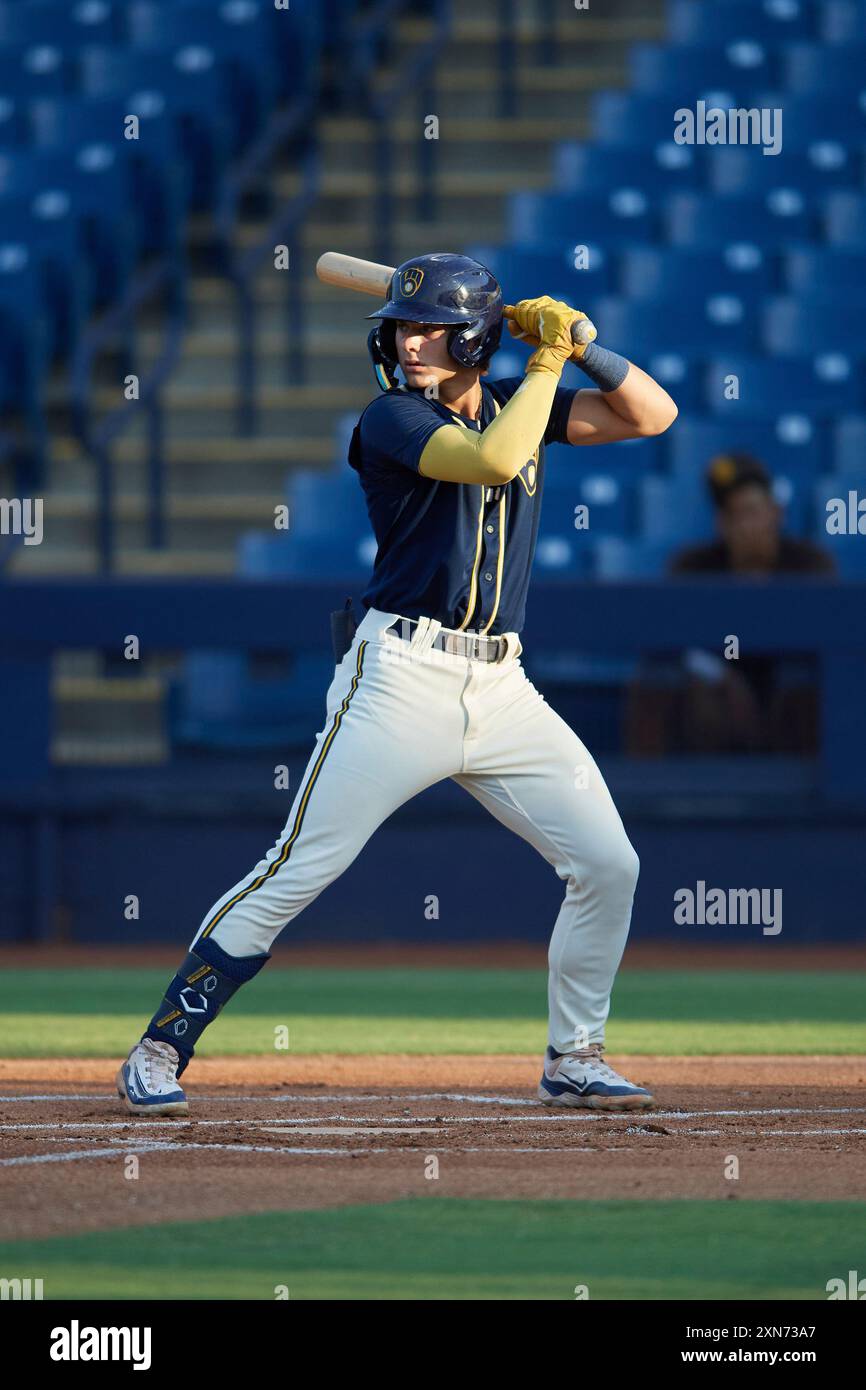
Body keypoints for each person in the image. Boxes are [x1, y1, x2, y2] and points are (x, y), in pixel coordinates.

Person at [116, 252, 677, 1117]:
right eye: (404, 327)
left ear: (472, 340)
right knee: (300, 867)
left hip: (501, 685)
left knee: (609, 862)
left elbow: (654, 412)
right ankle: (161, 1047)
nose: (411, 342)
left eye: (431, 329)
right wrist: (544, 357)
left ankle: (576, 1055)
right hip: (400, 678)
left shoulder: (519, 403)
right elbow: (494, 460)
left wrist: (584, 344)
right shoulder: (390, 419)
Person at [627, 453, 834, 755]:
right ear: (721, 524)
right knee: (661, 678)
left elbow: (827, 636)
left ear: (776, 513)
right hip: (719, 690)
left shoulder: (810, 564)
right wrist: (721, 674)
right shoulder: (693, 566)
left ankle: (822, 795)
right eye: (732, 514)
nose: (744, 525)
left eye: (752, 511)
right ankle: (656, 791)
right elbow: (670, 636)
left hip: (786, 680)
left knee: (801, 681)